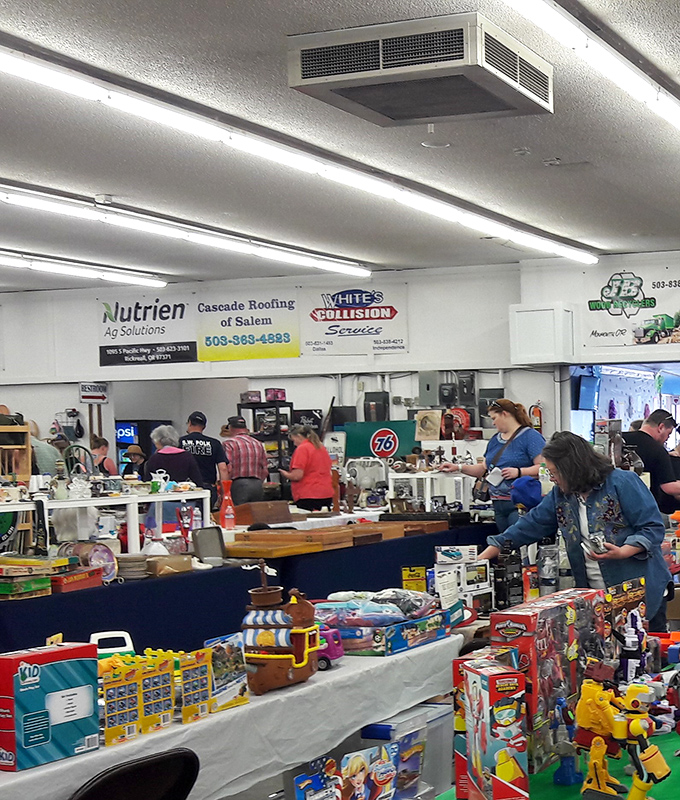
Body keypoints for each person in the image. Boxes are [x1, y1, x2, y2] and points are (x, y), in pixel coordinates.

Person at [479, 431, 671, 632]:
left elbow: (652, 527)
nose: (552, 478)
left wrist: (624, 551)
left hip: (638, 593)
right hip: (595, 598)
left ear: (571, 468)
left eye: (554, 472)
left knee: (641, 648)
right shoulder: (561, 495)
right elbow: (530, 524)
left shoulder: (622, 482)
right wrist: (484, 557)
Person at [439, 399, 545, 532]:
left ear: (504, 414)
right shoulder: (495, 440)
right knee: (505, 540)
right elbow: (483, 469)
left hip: (521, 504)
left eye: (494, 418)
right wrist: (458, 467)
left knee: (518, 538)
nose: (493, 423)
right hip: (498, 504)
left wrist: (519, 472)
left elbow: (544, 468)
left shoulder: (531, 437)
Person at [622, 409, 680, 514]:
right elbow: (669, 487)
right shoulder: (658, 450)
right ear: (661, 427)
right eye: (669, 434)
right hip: (643, 509)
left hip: (615, 503)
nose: (667, 438)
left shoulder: (620, 439)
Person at [179, 411, 229, 508]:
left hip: (185, 488)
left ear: (189, 423)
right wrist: (224, 493)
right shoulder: (215, 443)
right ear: (204, 427)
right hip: (207, 488)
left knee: (186, 515)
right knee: (205, 515)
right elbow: (223, 469)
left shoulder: (180, 441)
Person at [280, 424, 333, 511]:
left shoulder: (302, 449)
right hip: (326, 493)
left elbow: (297, 476)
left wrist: (285, 474)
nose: (294, 444)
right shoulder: (321, 447)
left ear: (299, 436)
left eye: (294, 440)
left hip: (308, 495)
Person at [222, 416, 269, 505]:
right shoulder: (258, 443)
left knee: (239, 512)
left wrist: (224, 490)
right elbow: (265, 470)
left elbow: (228, 469)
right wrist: (258, 482)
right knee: (255, 512)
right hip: (257, 485)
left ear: (230, 428)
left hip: (239, 485)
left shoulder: (229, 443)